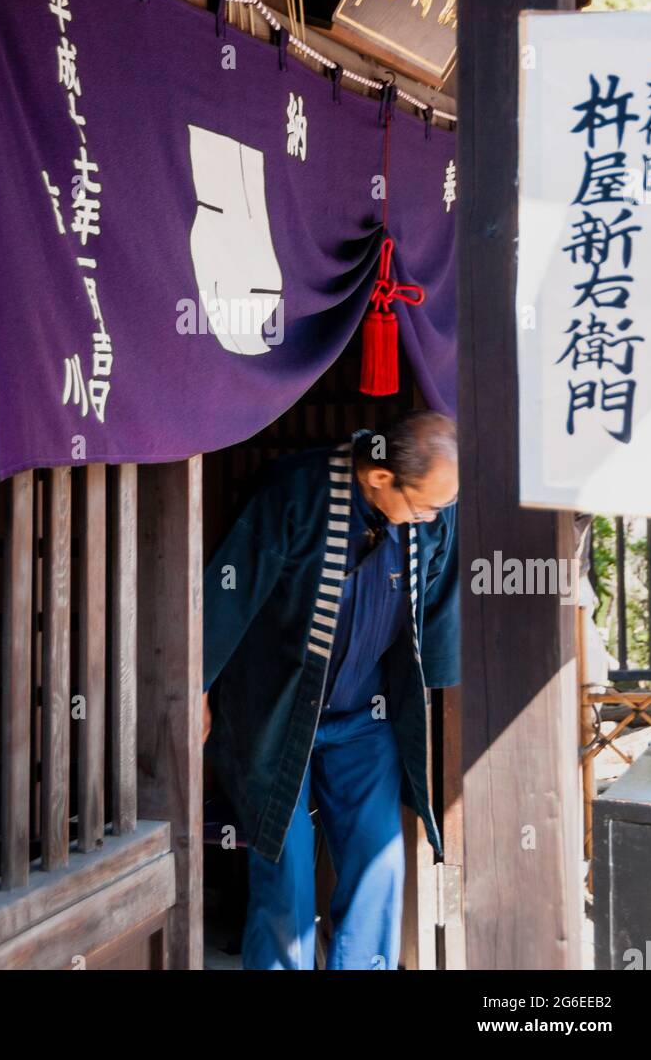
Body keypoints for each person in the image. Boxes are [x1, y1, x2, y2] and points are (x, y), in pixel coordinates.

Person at [202, 410, 460, 970]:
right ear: (379, 479)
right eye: (427, 506)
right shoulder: (294, 492)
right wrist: (196, 685)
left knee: (380, 863)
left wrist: (431, 694)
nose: (436, 517)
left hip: (366, 715)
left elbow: (437, 599)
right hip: (274, 712)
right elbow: (228, 589)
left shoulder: (434, 514)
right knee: (284, 866)